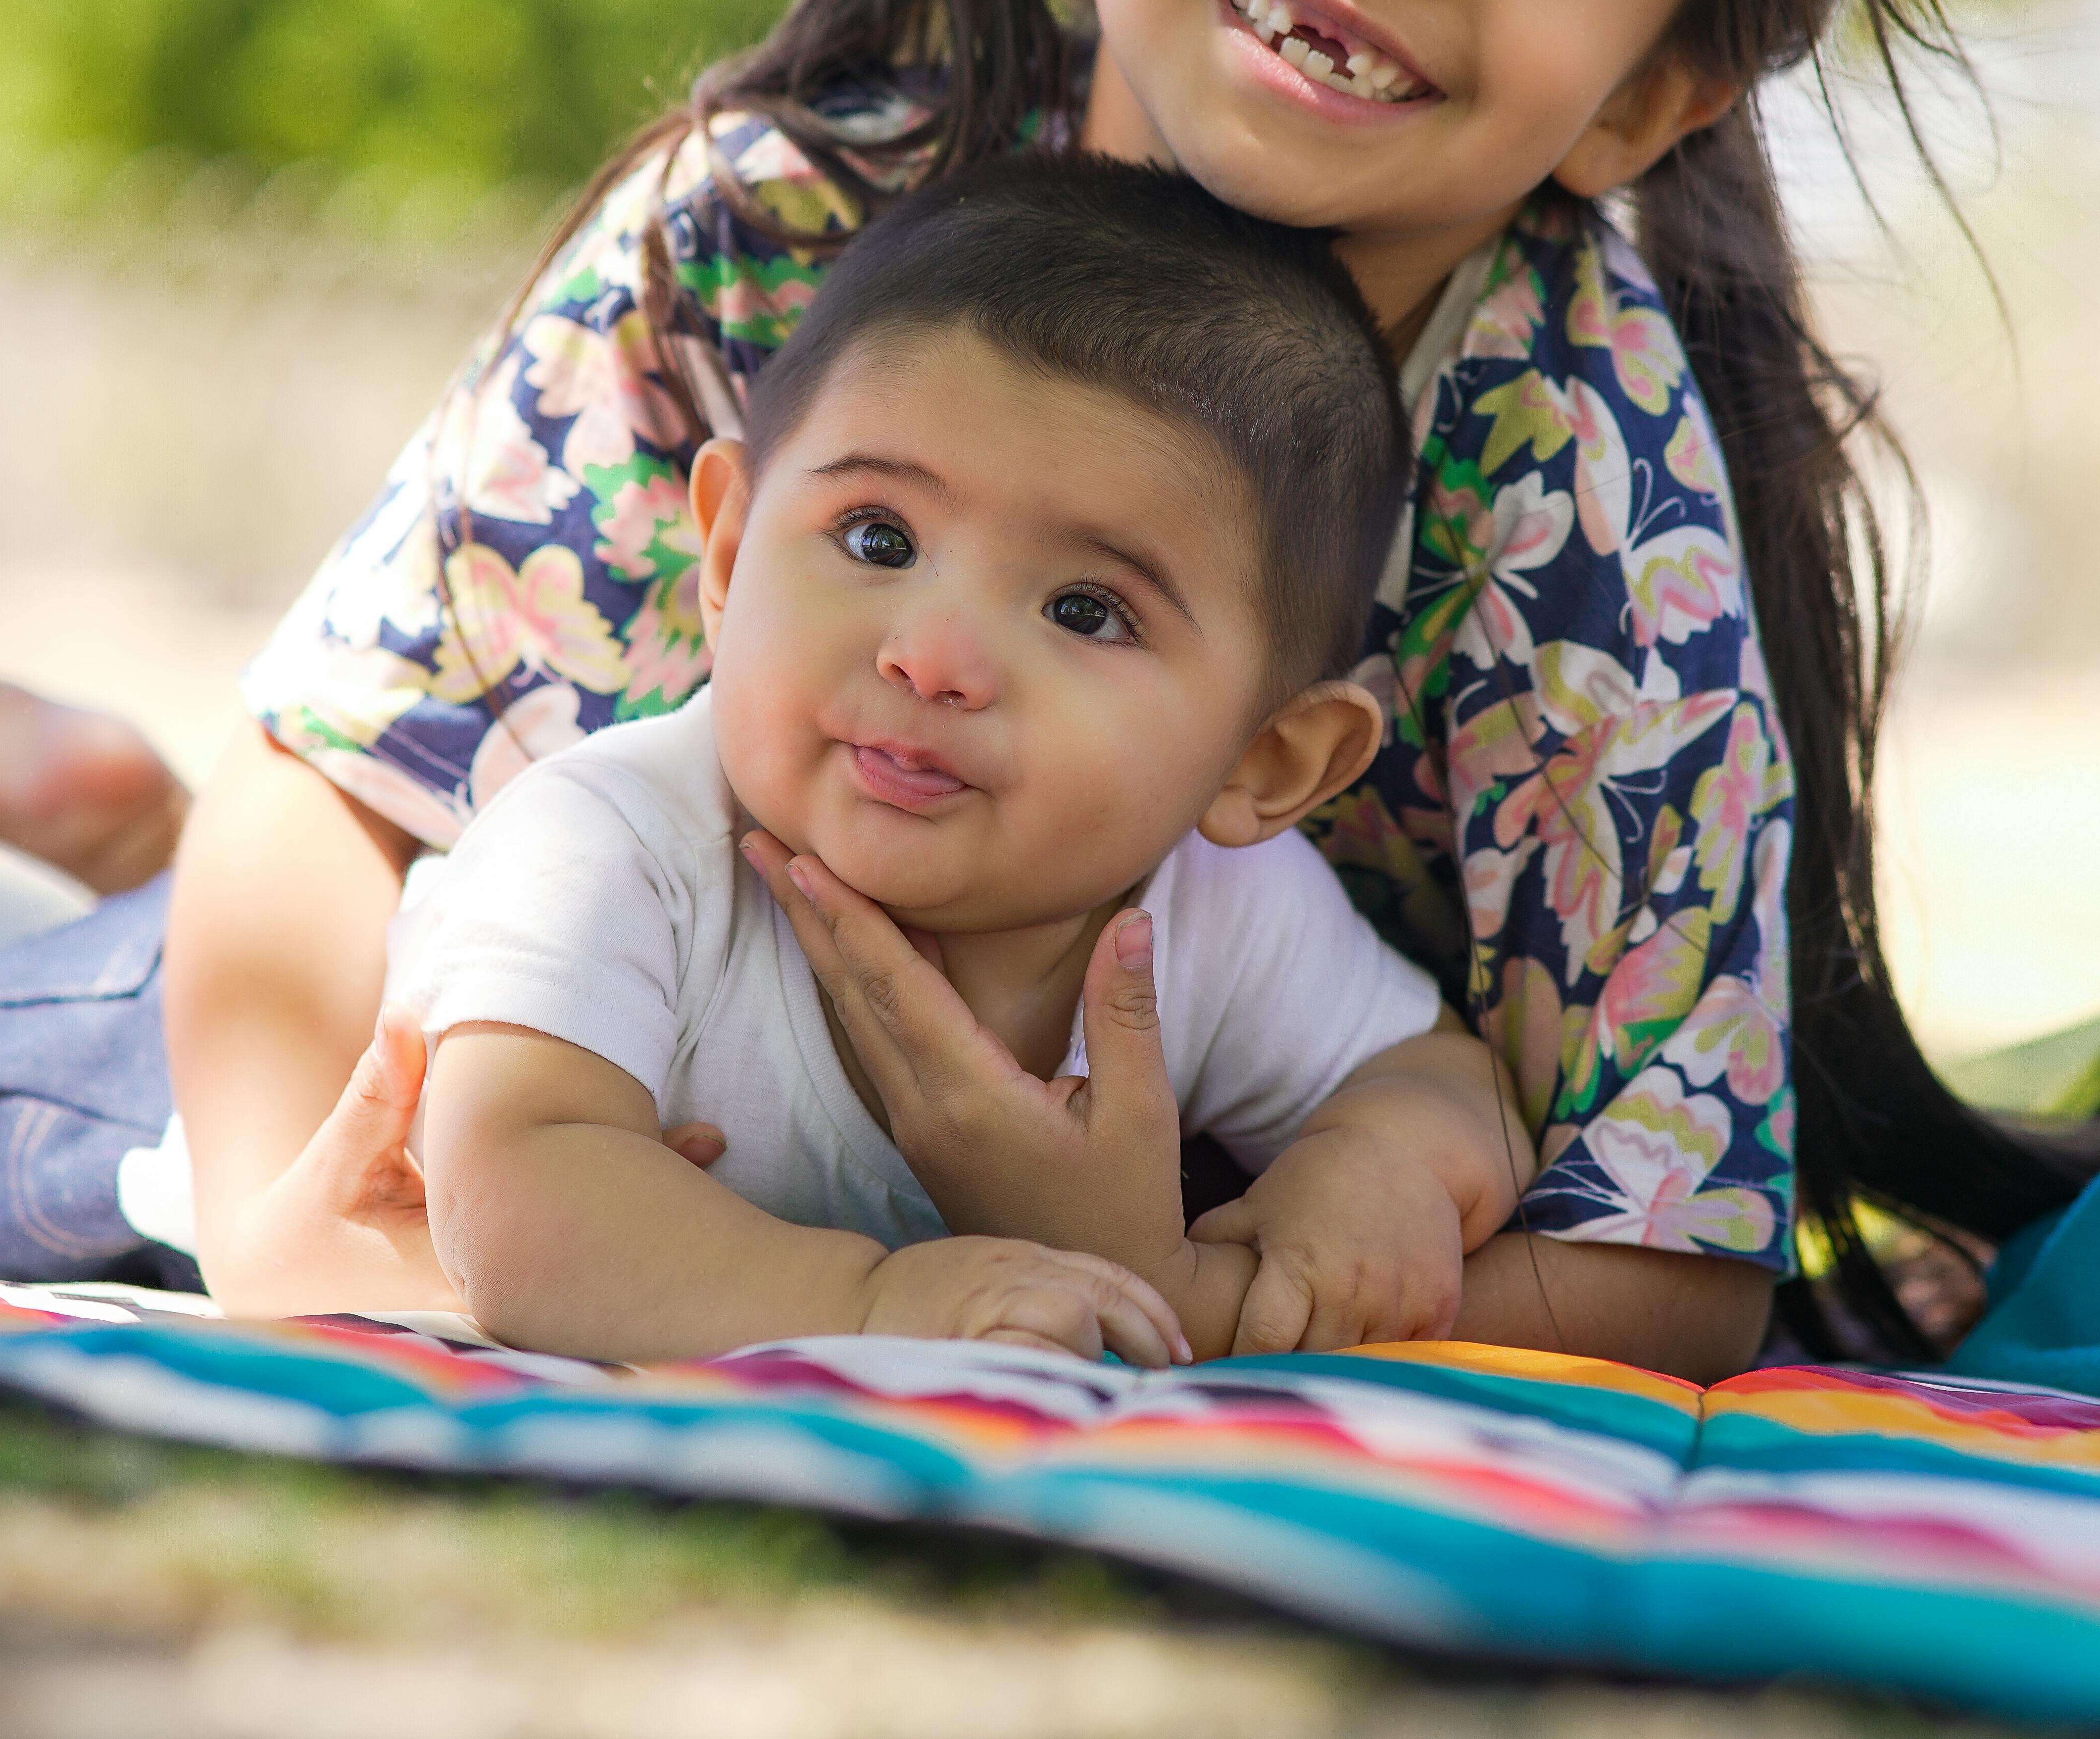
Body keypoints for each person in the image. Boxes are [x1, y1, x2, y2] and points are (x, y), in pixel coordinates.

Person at [0, 0, 2090, 1371]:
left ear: (1651, 97)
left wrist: (1161, 1295)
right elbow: (353, 780)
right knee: (26, 1084)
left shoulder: (1578, 489)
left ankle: (112, 837)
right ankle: (126, 872)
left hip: (979, 1203)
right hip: (460, 1033)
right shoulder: (770, 232)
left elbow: (1664, 1242)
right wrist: (302, 1249)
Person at [407, 155, 1533, 1366]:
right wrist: (870, 1304)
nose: (934, 657)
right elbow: (513, 1195)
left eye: (1086, 611)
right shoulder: (609, 847)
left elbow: (1436, 1077)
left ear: (1264, 761)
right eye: (878, 537)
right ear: (728, 554)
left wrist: (1378, 1164)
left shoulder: (1204, 912)